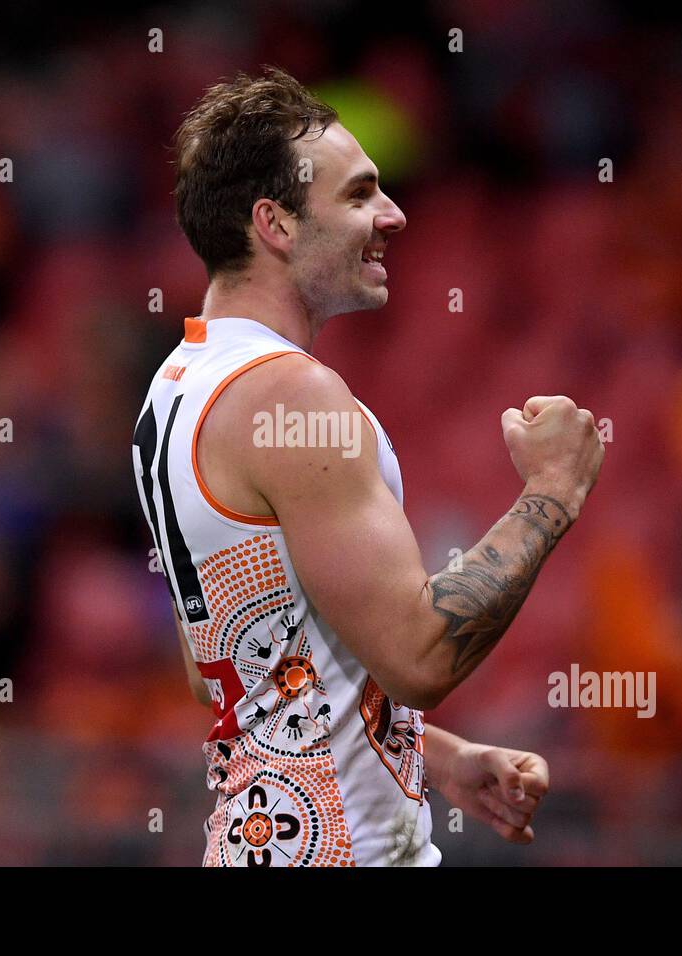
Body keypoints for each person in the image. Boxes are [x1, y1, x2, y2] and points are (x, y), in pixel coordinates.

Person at [131, 66, 603, 866]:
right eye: (358, 196)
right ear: (273, 223)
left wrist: (433, 757)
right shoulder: (294, 397)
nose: (393, 214)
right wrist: (554, 489)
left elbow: (227, 668)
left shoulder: (175, 386)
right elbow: (421, 656)